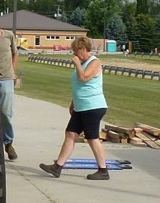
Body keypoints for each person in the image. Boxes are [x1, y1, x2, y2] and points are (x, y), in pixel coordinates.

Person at [39, 35, 110, 180]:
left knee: (92, 138)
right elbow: (79, 86)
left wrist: (77, 64)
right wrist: (73, 103)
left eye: (76, 51)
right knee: (70, 134)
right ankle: (57, 167)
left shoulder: (94, 62)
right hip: (81, 107)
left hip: (93, 107)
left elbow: (84, 78)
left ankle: (103, 170)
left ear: (83, 49)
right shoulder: (83, 62)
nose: (74, 55)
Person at [0, 13, 18, 159]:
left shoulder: (8, 35)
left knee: (6, 113)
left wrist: (13, 72)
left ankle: (8, 142)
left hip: (6, 79)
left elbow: (15, 53)